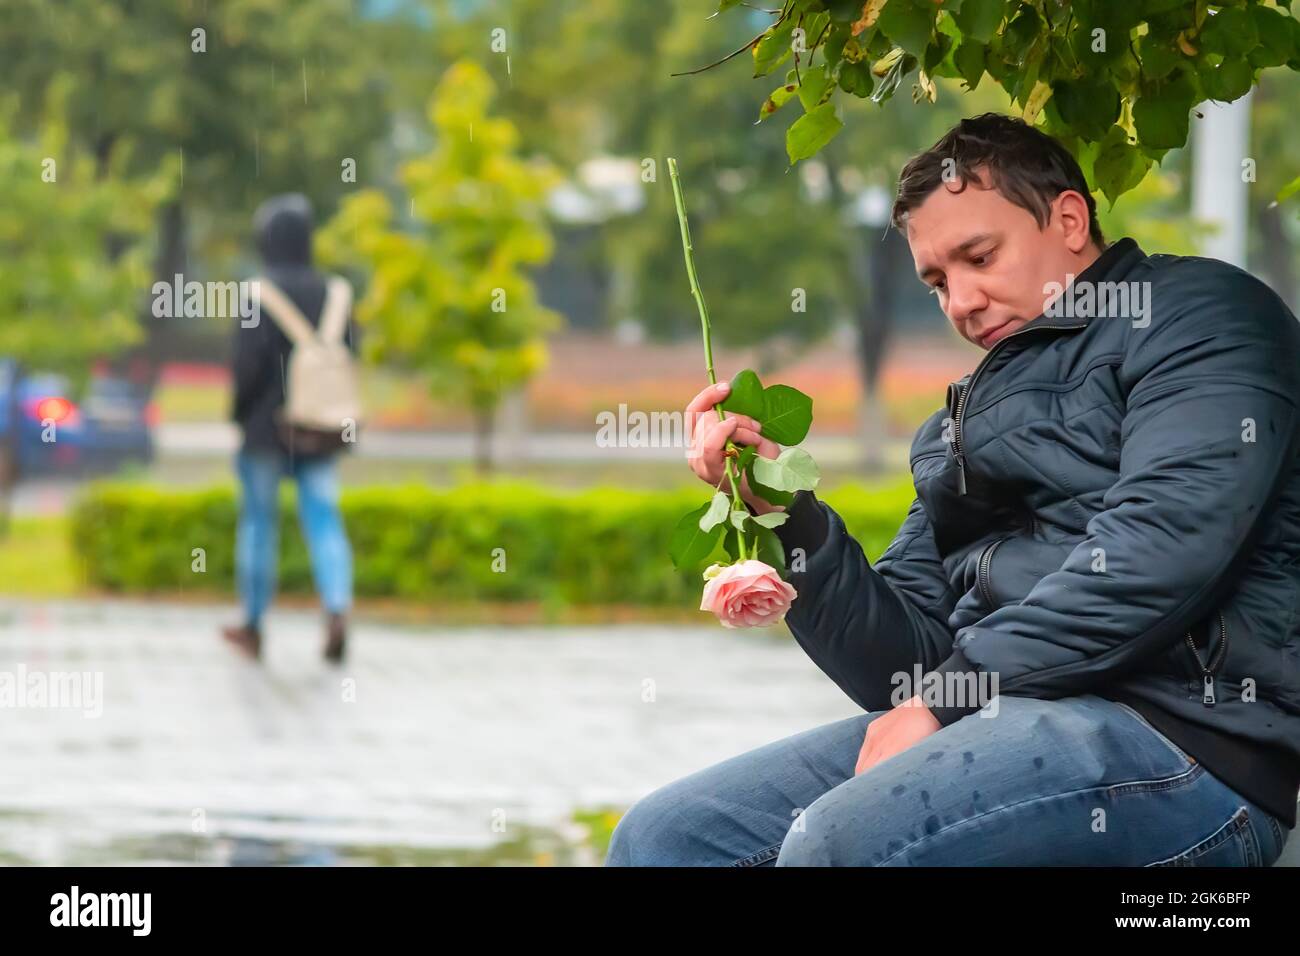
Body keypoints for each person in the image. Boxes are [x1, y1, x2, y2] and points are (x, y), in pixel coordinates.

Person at [607, 113, 1300, 866]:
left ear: (1068, 218)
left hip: (1189, 747)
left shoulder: (1198, 315)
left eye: (979, 256)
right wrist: (782, 510)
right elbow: (900, 664)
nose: (961, 301)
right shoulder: (953, 428)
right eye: (937, 281)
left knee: (839, 844)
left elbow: (1161, 550)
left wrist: (944, 699)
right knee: (666, 838)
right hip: (995, 723)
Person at [221, 194, 357, 664]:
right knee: (325, 521)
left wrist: (240, 415)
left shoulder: (258, 295)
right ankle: (336, 610)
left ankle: (254, 624)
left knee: (259, 524)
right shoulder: (337, 293)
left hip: (265, 431)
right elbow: (350, 358)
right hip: (320, 430)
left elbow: (247, 368)